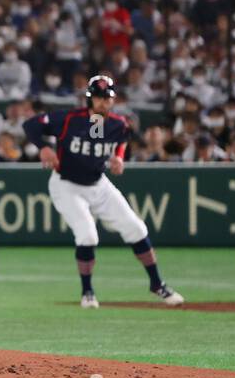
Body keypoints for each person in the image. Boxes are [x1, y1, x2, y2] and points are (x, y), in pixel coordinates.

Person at [22, 74, 184, 309]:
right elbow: (30, 125)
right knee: (87, 235)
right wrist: (44, 147)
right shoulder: (70, 119)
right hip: (67, 184)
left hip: (98, 184)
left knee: (136, 228)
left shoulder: (118, 124)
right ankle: (87, 292)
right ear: (89, 99)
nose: (102, 103)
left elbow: (123, 137)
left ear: (113, 100)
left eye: (106, 98)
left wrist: (118, 157)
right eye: (97, 97)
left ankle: (157, 284)